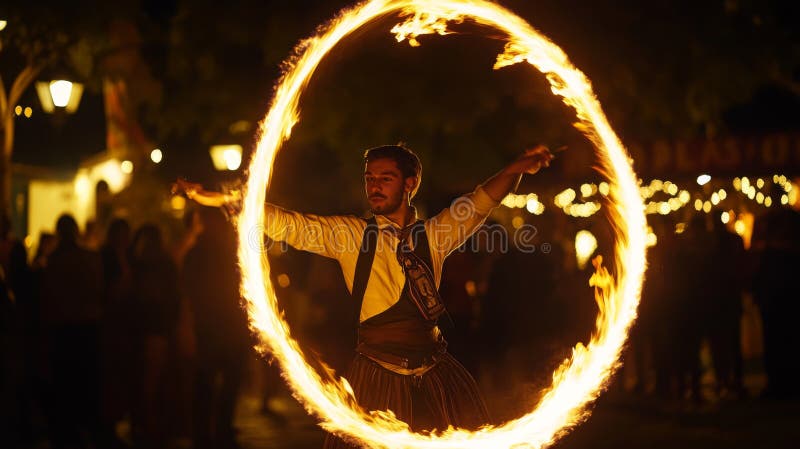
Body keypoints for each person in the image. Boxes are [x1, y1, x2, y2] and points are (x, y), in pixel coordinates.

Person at [174, 143, 554, 445]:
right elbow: (289, 224)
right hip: (377, 376)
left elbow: (481, 202)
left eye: (385, 178)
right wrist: (222, 199)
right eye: (369, 177)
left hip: (436, 376)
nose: (374, 185)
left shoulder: (435, 235)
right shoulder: (350, 236)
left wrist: (516, 169)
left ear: (410, 184)